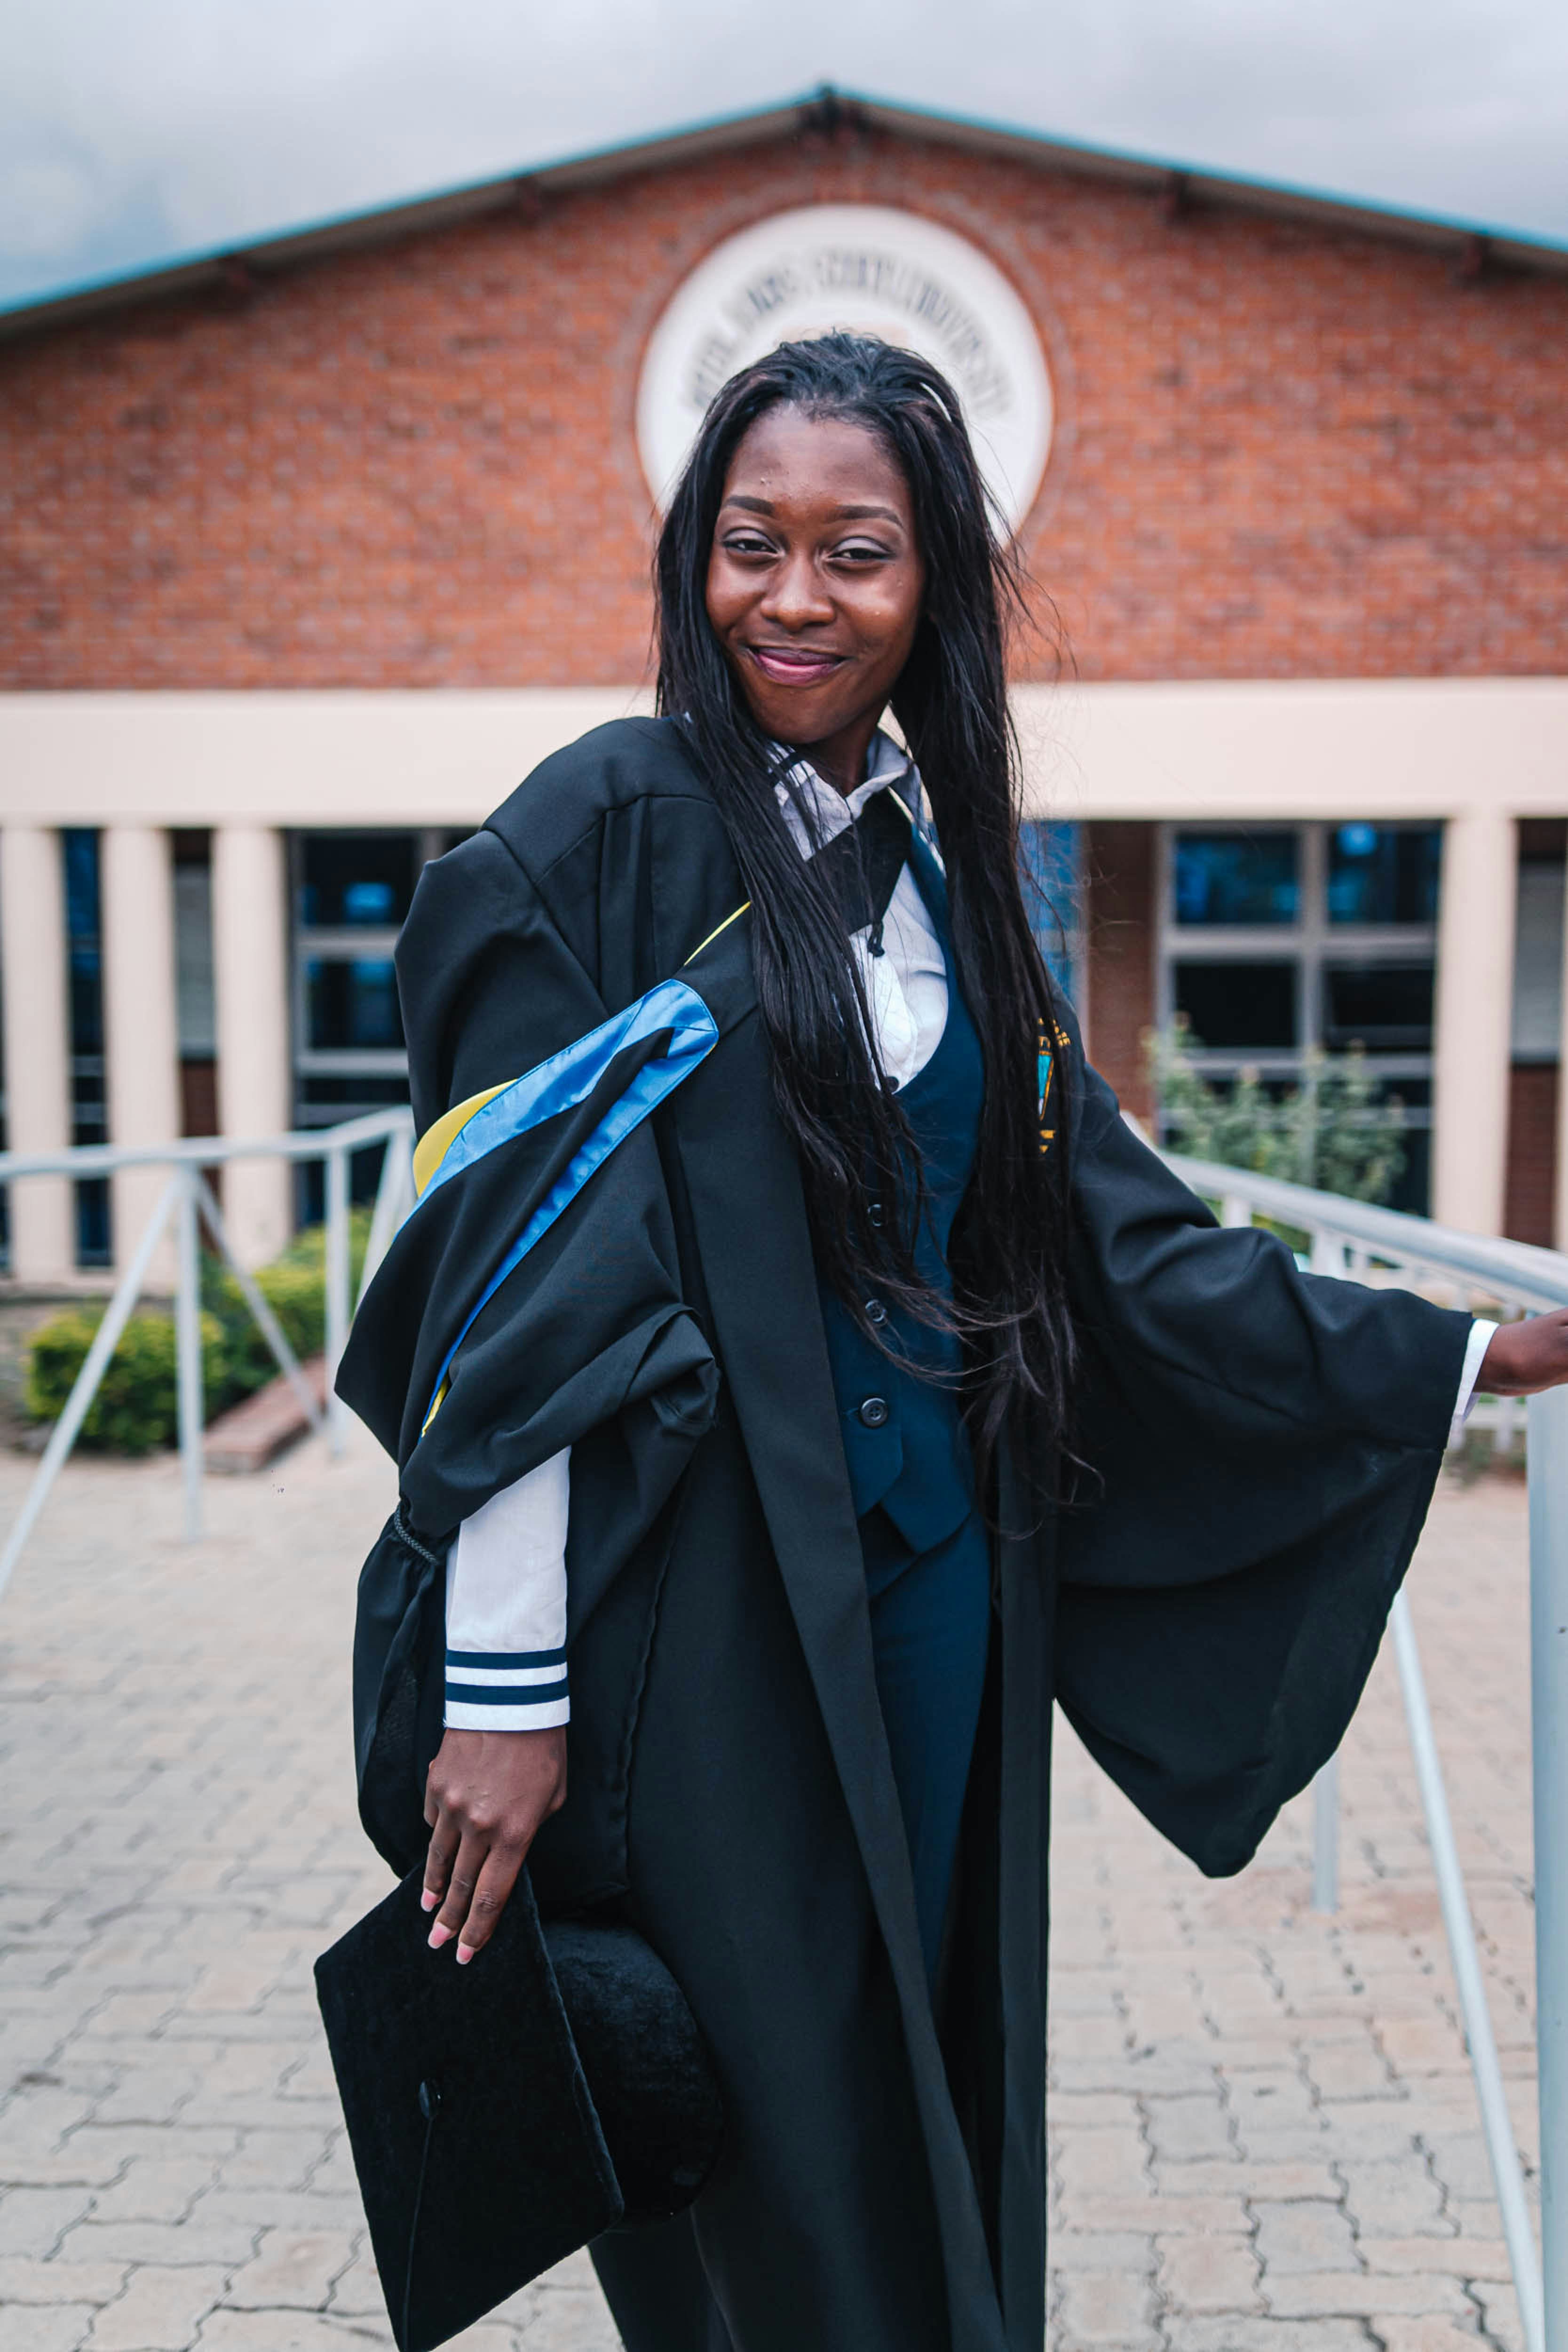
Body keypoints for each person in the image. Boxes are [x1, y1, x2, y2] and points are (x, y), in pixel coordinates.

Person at [339, 332, 1568, 2352]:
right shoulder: (599, 841)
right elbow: (513, 1300)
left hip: (933, 1603)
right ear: (690, 555)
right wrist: (505, 1687)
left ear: (935, 587)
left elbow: (1111, 1236)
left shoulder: (947, 871)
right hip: (700, 1620)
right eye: (751, 546)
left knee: (914, 2062)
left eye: (858, 553)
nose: (797, 599)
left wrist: (1456, 1357)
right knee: (761, 2123)